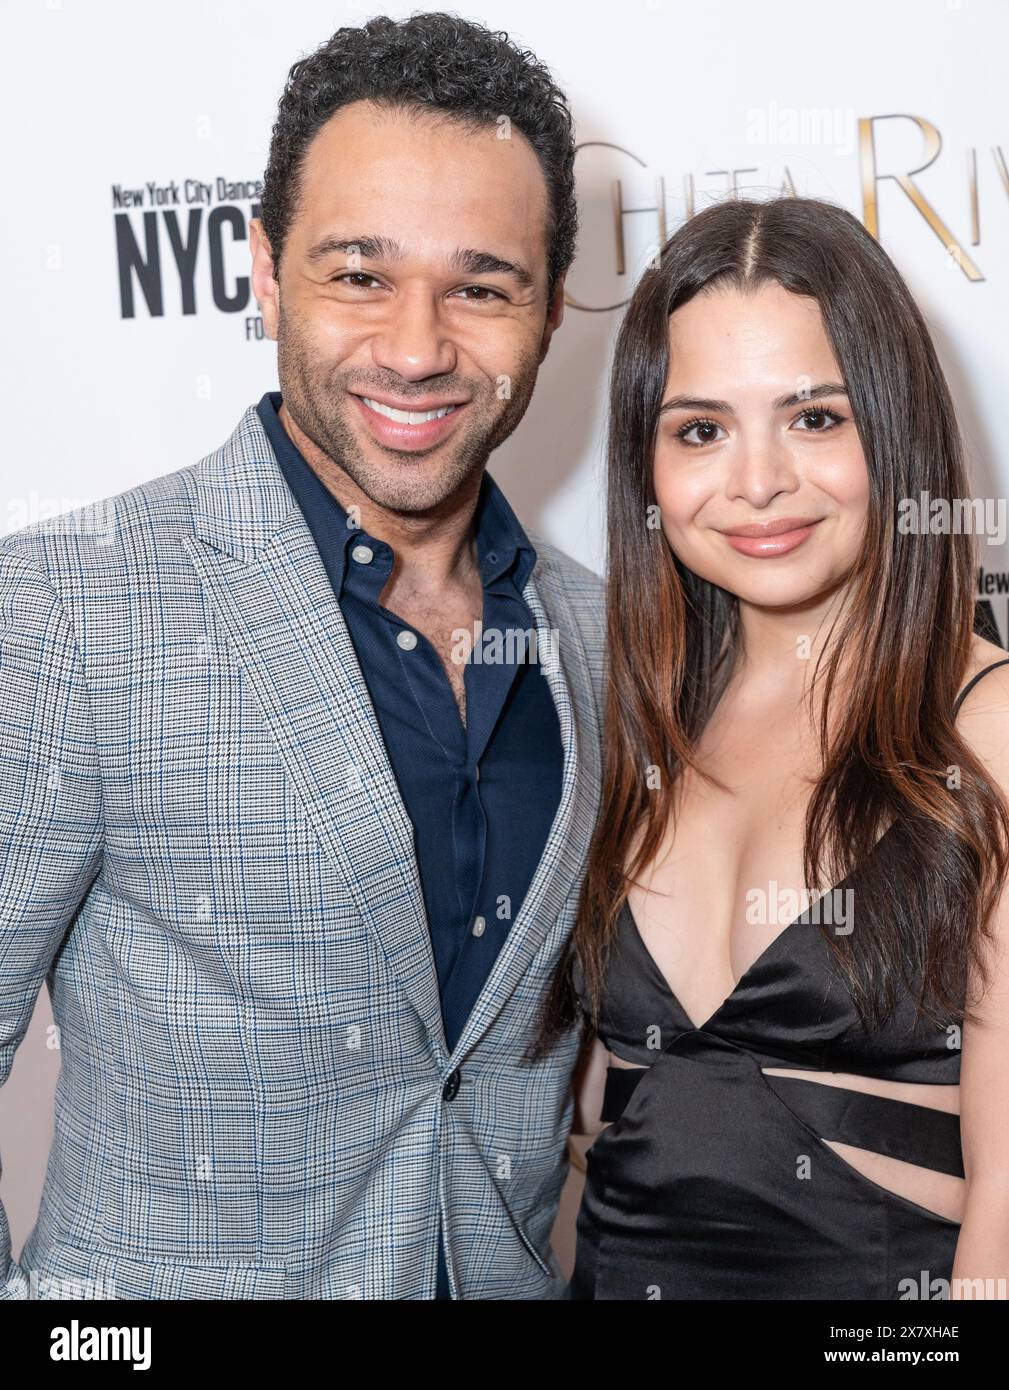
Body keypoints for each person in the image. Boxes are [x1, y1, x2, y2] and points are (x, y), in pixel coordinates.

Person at [0, 13, 604, 1301]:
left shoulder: (602, 635)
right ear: (265, 272)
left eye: (481, 286)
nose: (416, 346)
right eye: (359, 274)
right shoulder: (68, 604)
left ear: (553, 306)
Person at [533, 194, 1009, 1299]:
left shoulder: (987, 732)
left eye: (813, 418)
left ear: (893, 427)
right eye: (700, 430)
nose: (756, 483)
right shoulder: (630, 720)